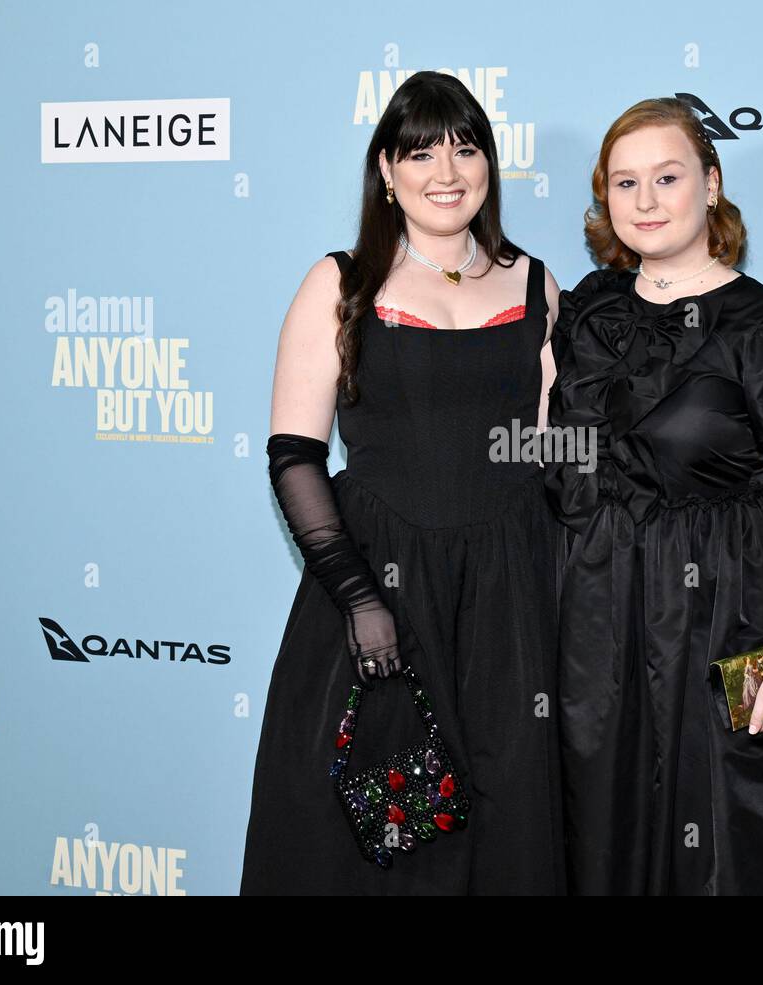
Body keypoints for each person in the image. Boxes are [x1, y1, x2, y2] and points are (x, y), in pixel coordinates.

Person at [545, 96, 763, 895]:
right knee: (604, 838)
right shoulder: (586, 314)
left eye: (667, 177)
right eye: (624, 183)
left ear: (712, 182)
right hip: (600, 632)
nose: (645, 200)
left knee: (748, 846)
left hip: (734, 620)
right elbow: (550, 463)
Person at [241, 71, 566, 895]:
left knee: (506, 827)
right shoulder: (340, 283)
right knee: (369, 849)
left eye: (465, 148)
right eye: (420, 151)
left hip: (509, 599)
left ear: (490, 165)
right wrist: (357, 598)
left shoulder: (538, 286)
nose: (445, 170)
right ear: (386, 169)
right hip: (379, 594)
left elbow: (555, 447)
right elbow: (294, 455)